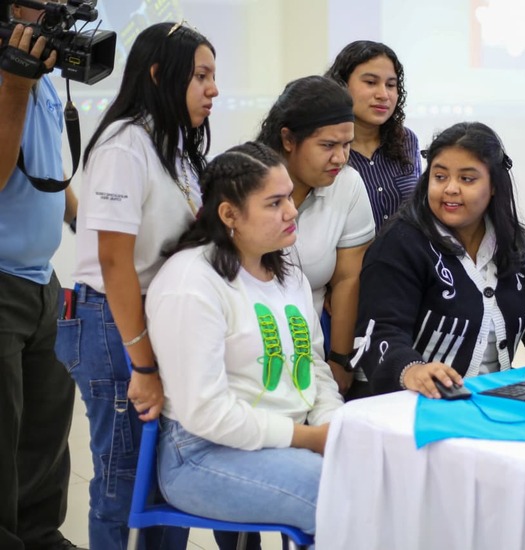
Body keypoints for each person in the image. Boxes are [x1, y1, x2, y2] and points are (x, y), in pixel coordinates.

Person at [55, 21, 218, 549]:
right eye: (200, 77)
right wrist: (143, 364)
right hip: (113, 322)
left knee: (170, 480)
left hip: (153, 320)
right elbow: (113, 261)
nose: (213, 89)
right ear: (157, 74)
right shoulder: (127, 144)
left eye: (214, 77)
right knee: (124, 481)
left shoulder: (174, 146)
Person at [145, 141, 343, 533]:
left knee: (383, 478)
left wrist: (333, 426)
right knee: (340, 493)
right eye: (274, 203)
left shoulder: (291, 277)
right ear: (229, 214)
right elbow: (205, 413)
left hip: (285, 440)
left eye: (289, 197)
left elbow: (315, 369)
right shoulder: (192, 282)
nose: (291, 212)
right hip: (202, 454)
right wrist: (307, 439)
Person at [352, 122, 525, 397]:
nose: (451, 189)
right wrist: (412, 370)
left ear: (493, 185)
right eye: (440, 176)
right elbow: (382, 332)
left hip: (491, 399)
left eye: (467, 179)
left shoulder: (511, 242)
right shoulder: (400, 243)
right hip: (414, 404)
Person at [0, 8, 81, 550]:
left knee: (46, 427)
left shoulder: (43, 76)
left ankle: (39, 533)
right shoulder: (16, 77)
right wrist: (13, 87)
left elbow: (51, 173)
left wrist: (92, 228)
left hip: (40, 279)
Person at [257, 75, 375, 397]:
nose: (340, 157)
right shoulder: (245, 183)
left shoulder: (347, 185)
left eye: (347, 144)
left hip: (313, 349)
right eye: (327, 146)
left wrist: (339, 360)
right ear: (288, 139)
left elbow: (348, 279)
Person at [325, 40, 421, 231]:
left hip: (406, 259)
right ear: (342, 85)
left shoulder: (406, 140)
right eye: (370, 83)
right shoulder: (324, 147)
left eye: (391, 85)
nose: (383, 94)